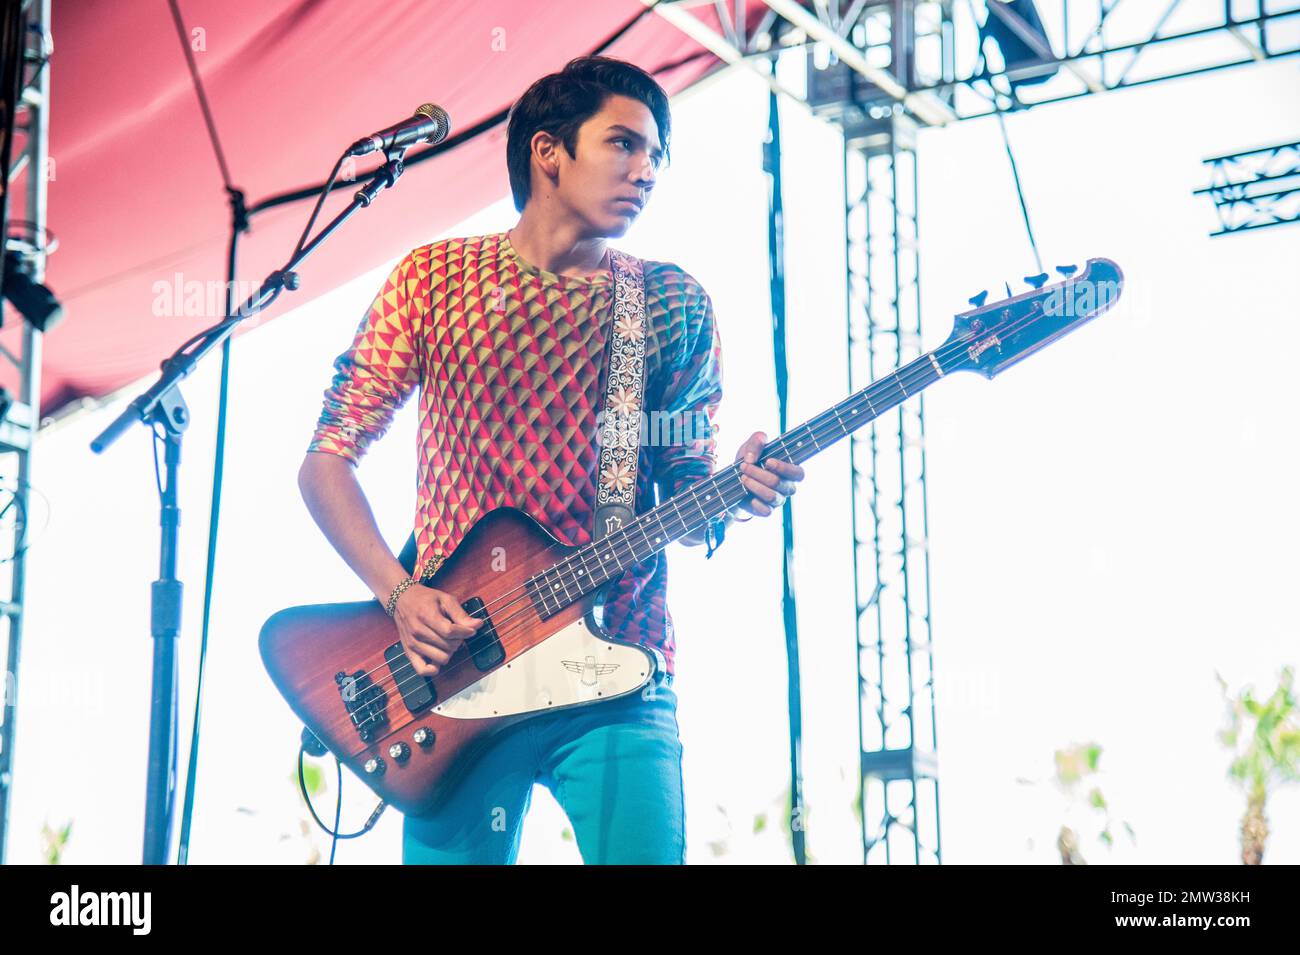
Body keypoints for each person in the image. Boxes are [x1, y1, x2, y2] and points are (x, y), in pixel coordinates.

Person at [299, 55, 805, 864]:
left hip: (618, 664)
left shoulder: (671, 303)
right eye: (624, 145)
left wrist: (737, 493)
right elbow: (327, 461)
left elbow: (687, 493)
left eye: (657, 156)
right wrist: (398, 594)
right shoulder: (434, 280)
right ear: (548, 152)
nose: (647, 170)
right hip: (455, 672)